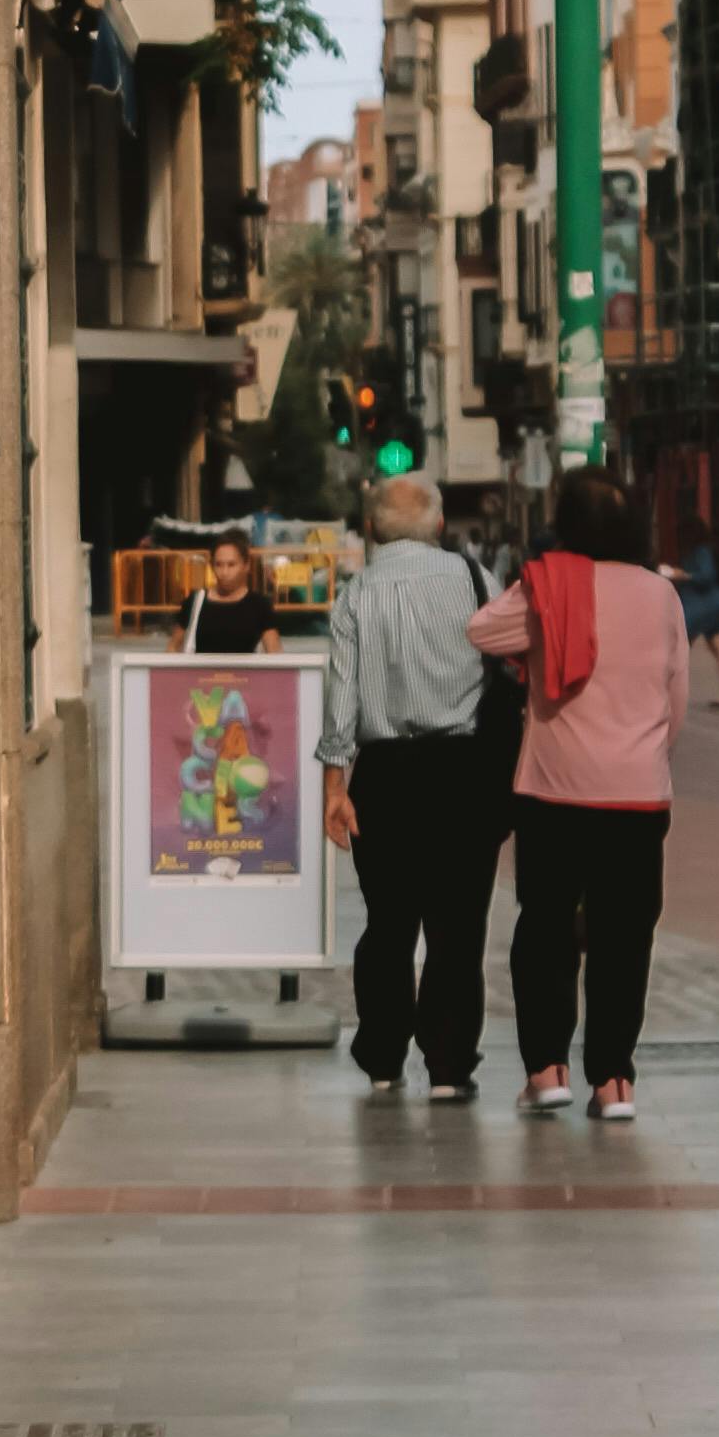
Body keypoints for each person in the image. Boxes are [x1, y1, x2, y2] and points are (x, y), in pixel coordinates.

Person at [468, 467, 689, 1123]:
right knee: (626, 935)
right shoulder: (660, 594)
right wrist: (644, 753)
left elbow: (483, 631)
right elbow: (676, 702)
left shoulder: (547, 586)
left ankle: (546, 1070)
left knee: (545, 930)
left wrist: (542, 596)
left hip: (553, 790)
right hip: (638, 795)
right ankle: (614, 1080)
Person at [314, 471, 509, 1104]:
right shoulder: (478, 582)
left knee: (389, 923)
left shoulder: (356, 595)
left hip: (386, 775)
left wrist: (334, 788)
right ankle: (450, 1063)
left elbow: (340, 695)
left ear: (371, 528)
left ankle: (382, 1054)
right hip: (463, 771)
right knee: (458, 927)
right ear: (439, 522)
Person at [663, 526, 719, 703]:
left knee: (681, 647)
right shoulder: (702, 551)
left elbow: (706, 576)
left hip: (701, 606)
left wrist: (683, 575)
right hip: (714, 603)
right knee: (718, 647)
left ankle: (671, 691)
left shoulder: (700, 552)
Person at [182, 530, 279, 653]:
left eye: (231, 565)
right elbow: (173, 648)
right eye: (219, 565)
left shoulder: (260, 605)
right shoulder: (195, 602)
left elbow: (275, 655)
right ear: (212, 566)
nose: (224, 572)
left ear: (246, 565)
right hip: (201, 673)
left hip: (246, 672)